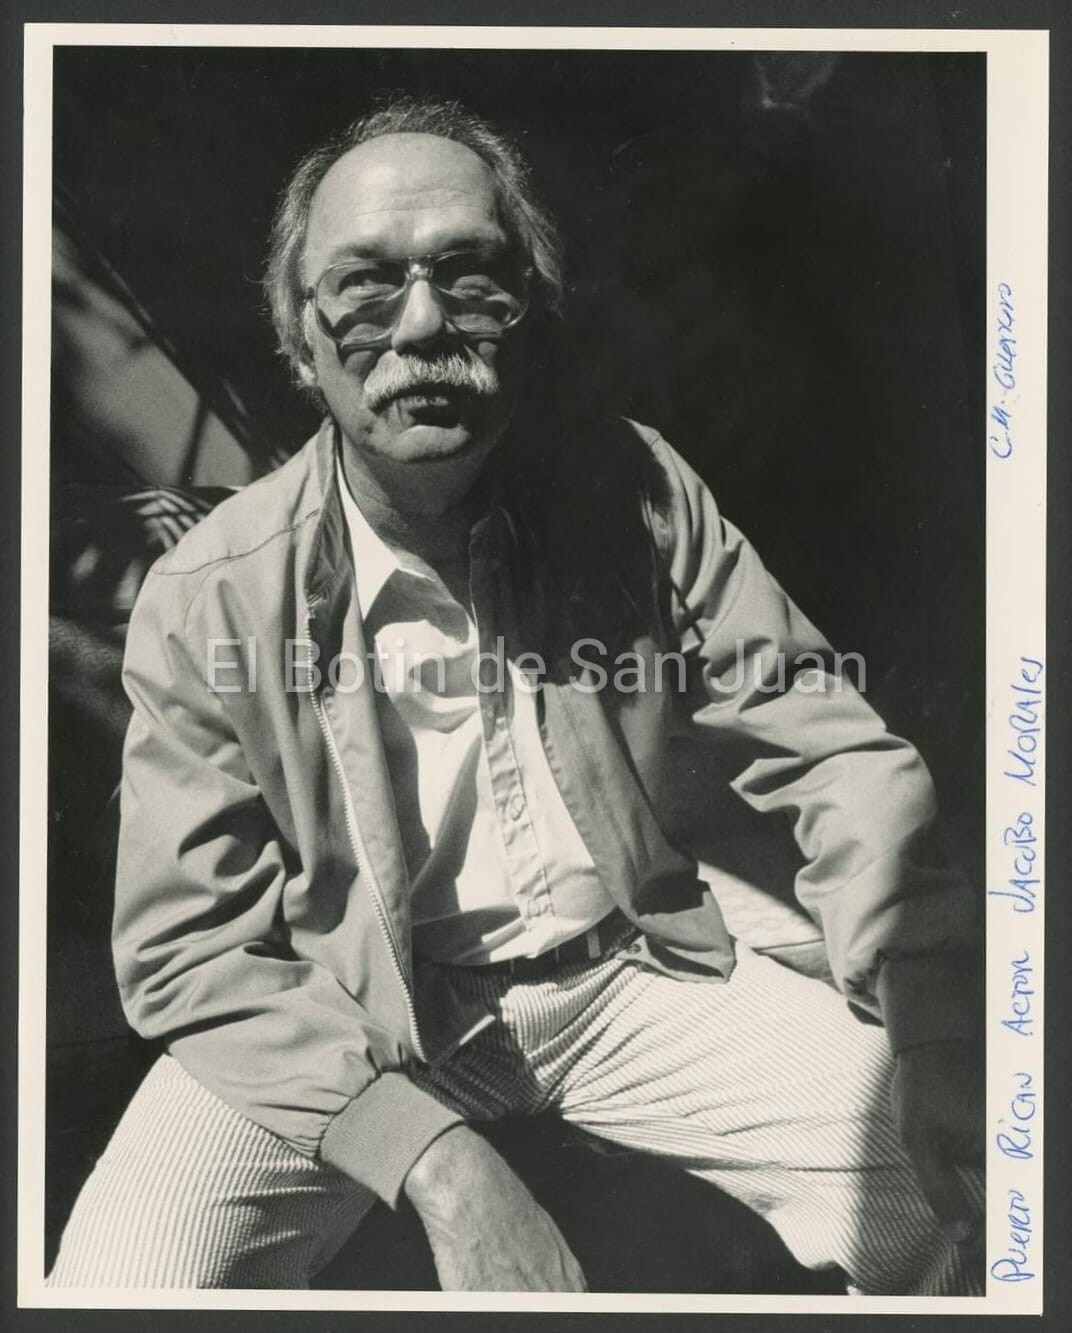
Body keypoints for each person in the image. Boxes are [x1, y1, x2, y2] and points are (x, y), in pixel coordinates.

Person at [48, 96, 984, 1294]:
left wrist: (940, 1018)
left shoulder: (635, 486)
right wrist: (434, 1159)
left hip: (628, 968)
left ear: (528, 310)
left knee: (985, 1181)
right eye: (368, 285)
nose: (424, 321)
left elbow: (824, 741)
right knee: (118, 1283)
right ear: (302, 335)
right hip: (342, 1021)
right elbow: (189, 955)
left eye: (469, 275)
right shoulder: (212, 594)